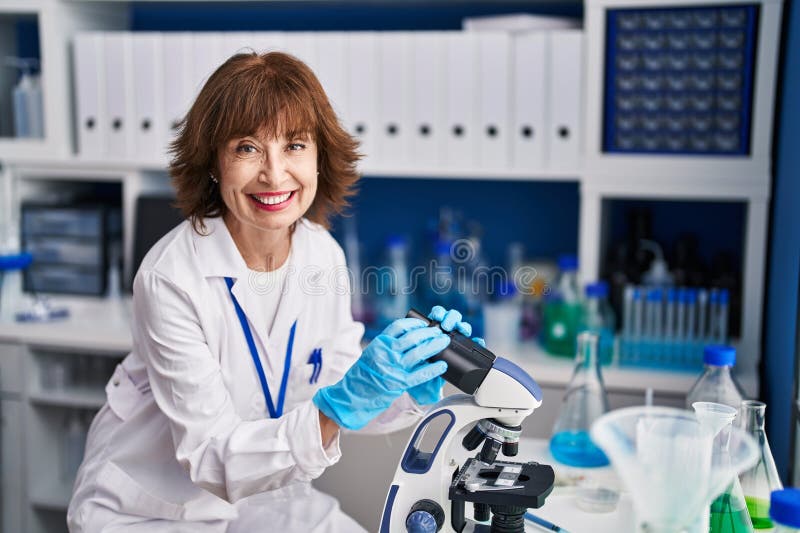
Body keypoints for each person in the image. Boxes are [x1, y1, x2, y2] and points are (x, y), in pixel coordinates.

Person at [67, 51, 478, 532]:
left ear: (320, 156)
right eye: (246, 148)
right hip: (152, 510)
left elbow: (342, 389)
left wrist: (402, 383)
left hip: (266, 498)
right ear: (213, 163)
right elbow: (212, 457)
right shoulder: (170, 279)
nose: (274, 174)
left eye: (295, 146)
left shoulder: (322, 254)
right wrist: (342, 402)